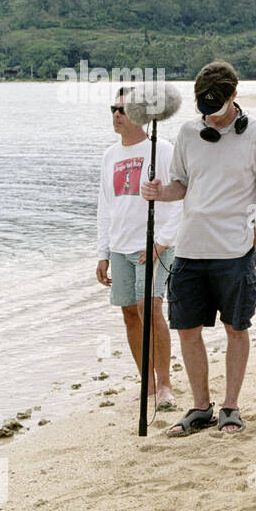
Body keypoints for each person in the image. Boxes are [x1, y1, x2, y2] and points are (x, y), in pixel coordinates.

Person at [141, 61, 256, 438]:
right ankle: (200, 407)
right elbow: (181, 186)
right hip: (190, 250)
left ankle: (231, 407)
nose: (211, 117)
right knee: (187, 329)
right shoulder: (189, 133)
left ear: (234, 96)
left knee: (235, 328)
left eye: (217, 107)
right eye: (204, 109)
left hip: (236, 252)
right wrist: (160, 192)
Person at [96, 87, 180, 410]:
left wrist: (161, 242)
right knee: (130, 314)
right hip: (119, 247)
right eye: (113, 109)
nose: (116, 115)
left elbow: (177, 199)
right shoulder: (109, 156)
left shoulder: (161, 150)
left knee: (150, 309)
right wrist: (103, 253)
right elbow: (105, 206)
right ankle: (146, 385)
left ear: (140, 115)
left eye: (123, 109)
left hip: (153, 245)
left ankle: (165, 386)